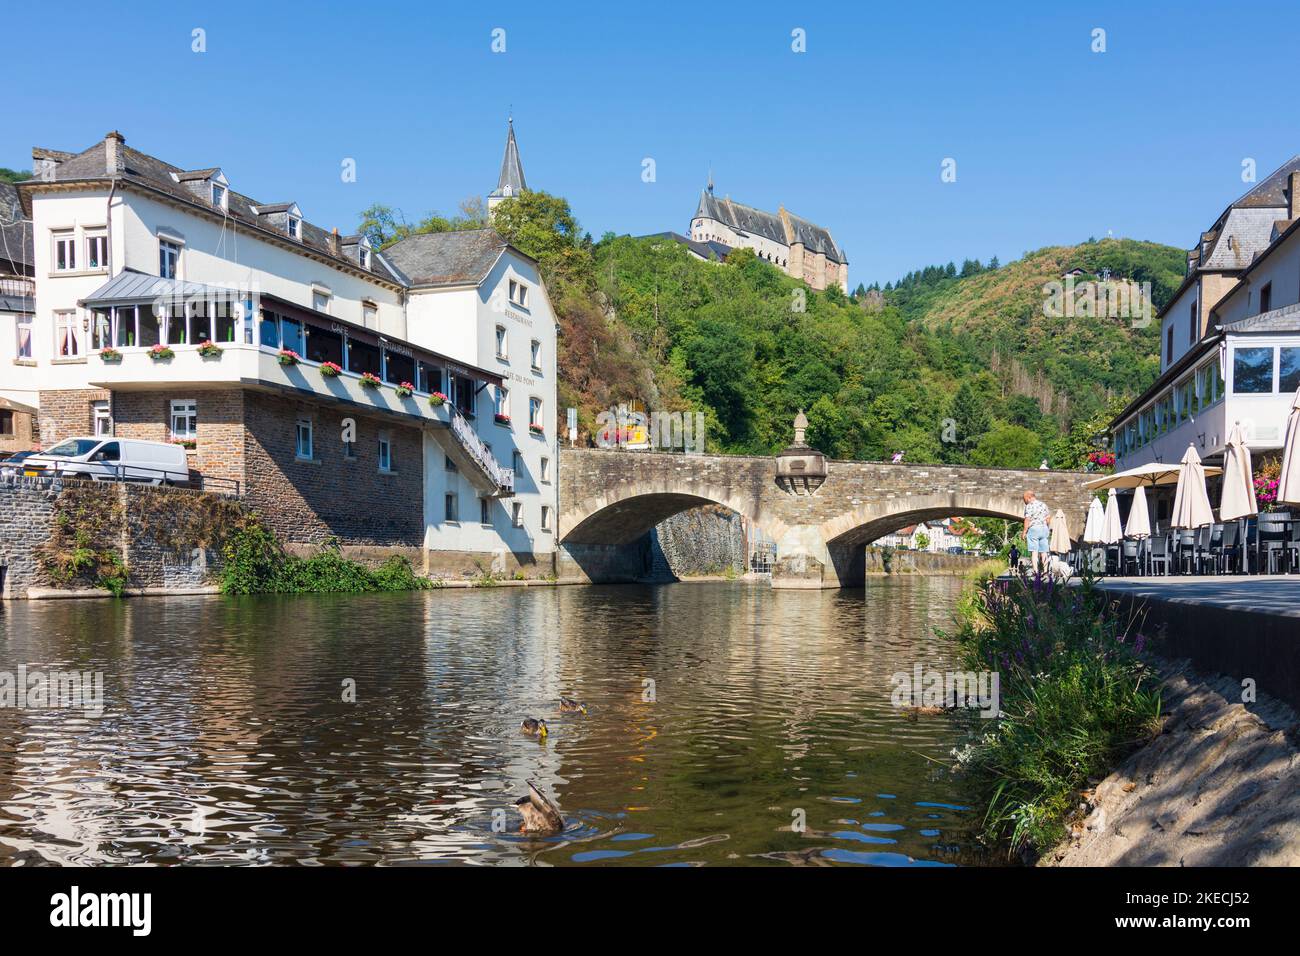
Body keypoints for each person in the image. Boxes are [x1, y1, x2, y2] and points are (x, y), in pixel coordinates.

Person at [1022, 490, 1051, 574]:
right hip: (1044, 528)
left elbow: (1027, 519)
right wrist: (1046, 528)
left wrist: (1024, 531)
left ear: (1029, 497)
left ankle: (1036, 571)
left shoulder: (1029, 506)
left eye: (1025, 499)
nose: (1024, 501)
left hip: (1034, 529)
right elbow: (1048, 518)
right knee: (1044, 551)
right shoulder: (1043, 505)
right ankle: (1045, 571)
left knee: (1034, 552)